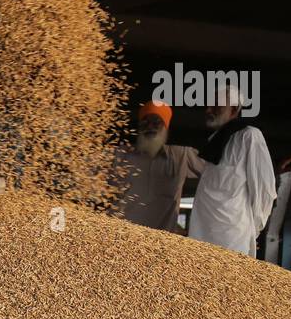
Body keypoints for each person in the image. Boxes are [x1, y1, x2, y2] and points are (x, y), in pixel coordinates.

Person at [187, 82, 276, 256]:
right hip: (202, 235)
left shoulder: (249, 136)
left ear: (234, 110)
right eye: (209, 104)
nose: (208, 110)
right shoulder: (214, 142)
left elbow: (265, 189)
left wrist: (252, 228)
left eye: (217, 105)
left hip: (233, 240)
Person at [114, 101, 205, 232]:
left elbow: (215, 172)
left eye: (157, 122)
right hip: (122, 238)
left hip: (161, 244)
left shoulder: (181, 155)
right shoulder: (120, 155)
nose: (150, 126)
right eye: (145, 122)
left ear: (166, 127)